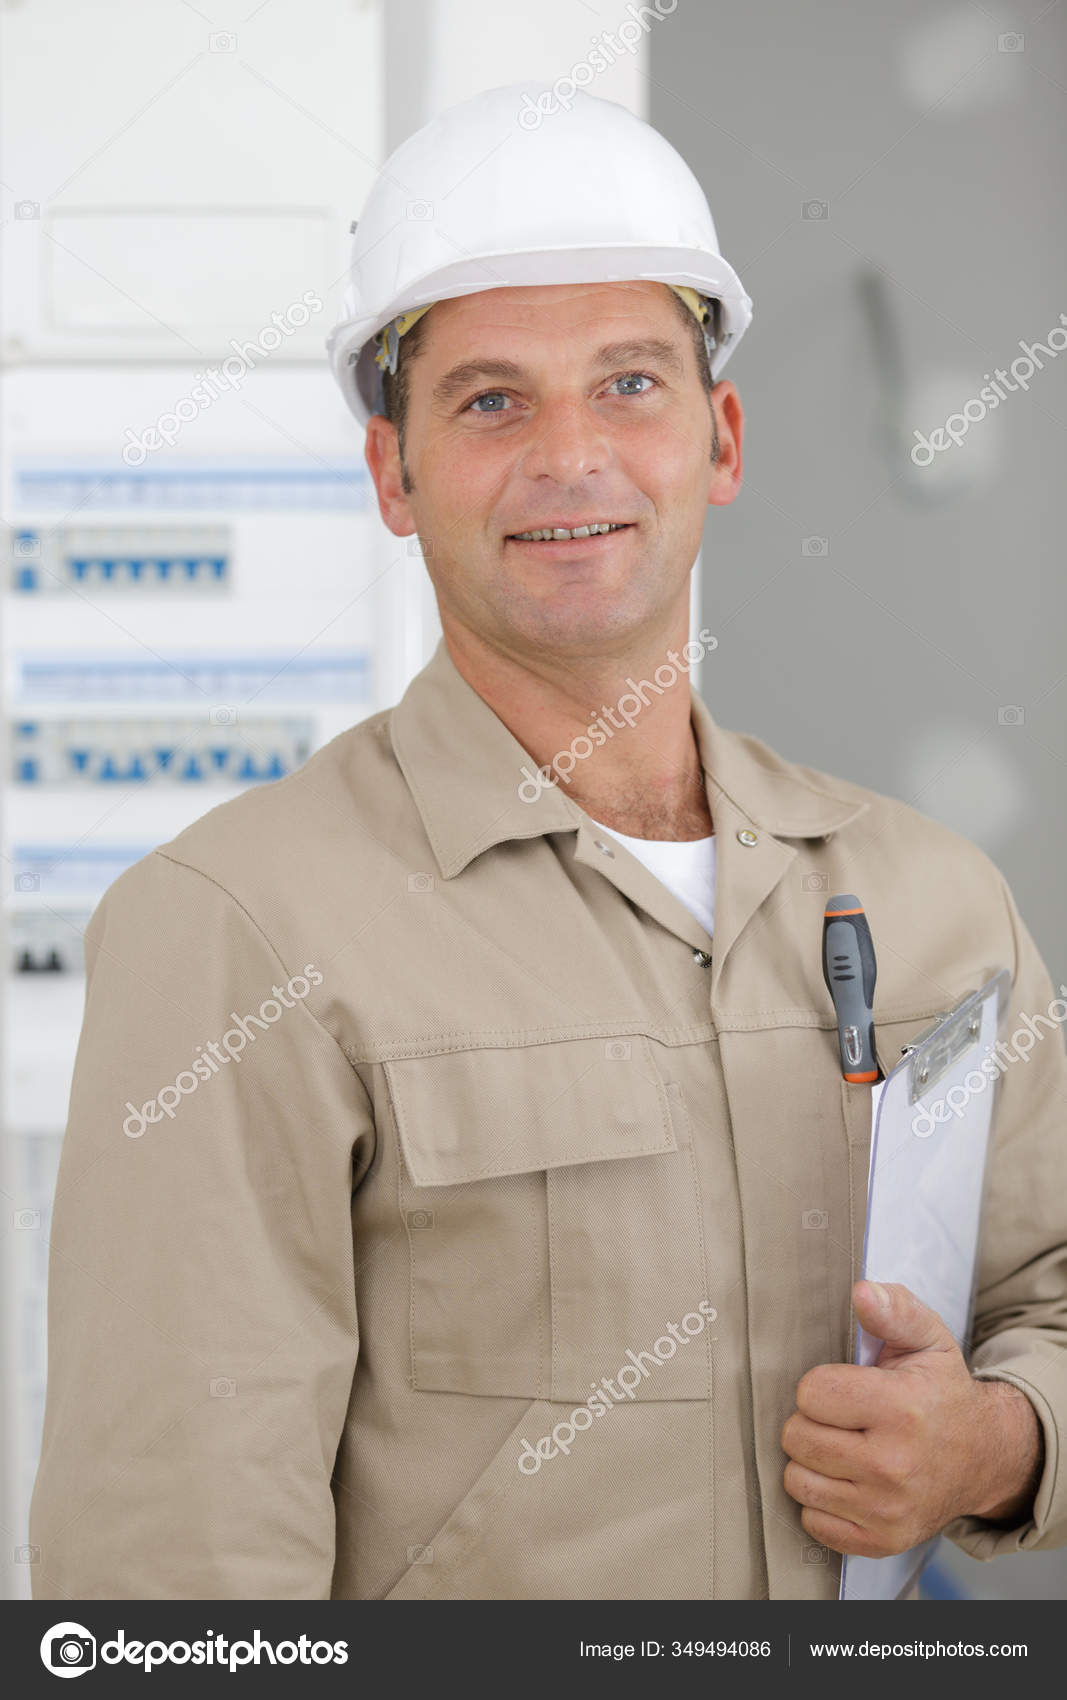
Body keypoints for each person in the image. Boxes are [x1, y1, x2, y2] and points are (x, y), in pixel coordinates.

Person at [29, 82, 1065, 1602]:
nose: (570, 456)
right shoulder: (238, 928)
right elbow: (172, 1571)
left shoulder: (925, 899)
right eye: (491, 400)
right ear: (394, 474)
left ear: (718, 437)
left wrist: (994, 1442)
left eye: (630, 383)